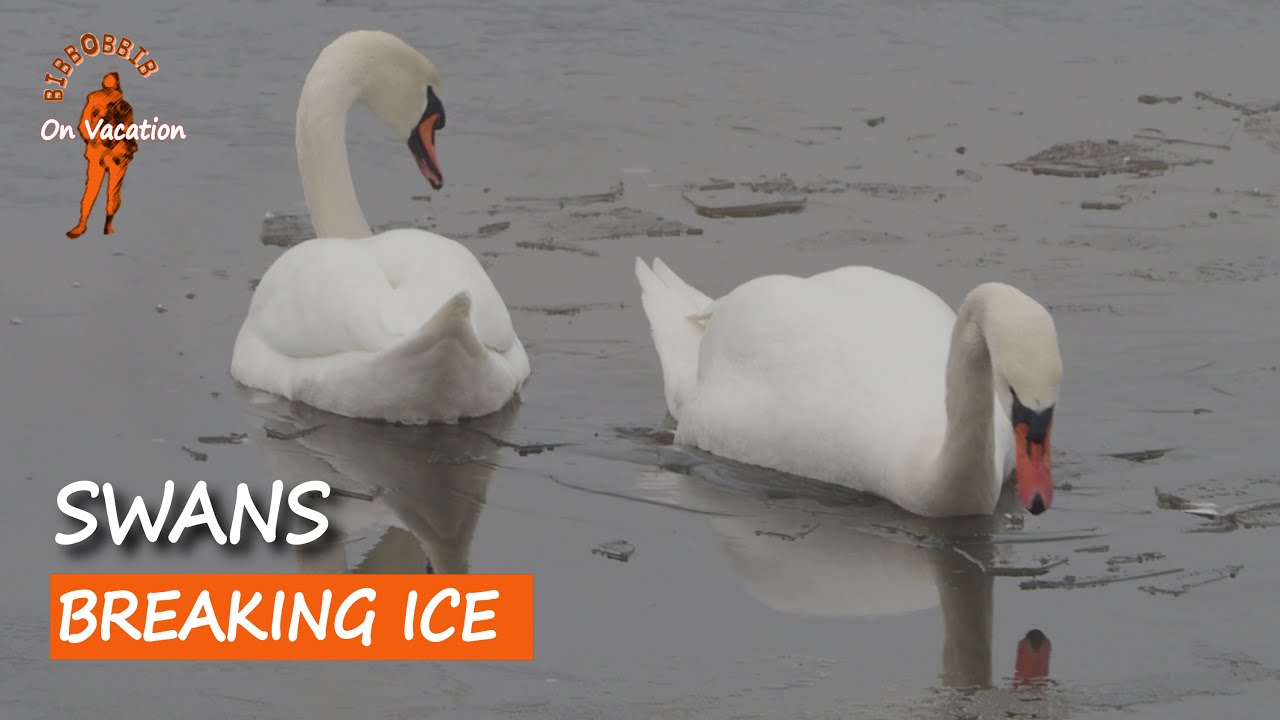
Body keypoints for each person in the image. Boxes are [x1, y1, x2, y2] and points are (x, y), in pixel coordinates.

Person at [67, 72, 139, 239]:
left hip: (106, 152)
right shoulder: (119, 105)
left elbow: (83, 126)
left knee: (95, 188)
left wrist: (93, 140)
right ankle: (103, 225)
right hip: (112, 152)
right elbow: (129, 130)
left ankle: (87, 223)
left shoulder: (98, 103)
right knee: (109, 190)